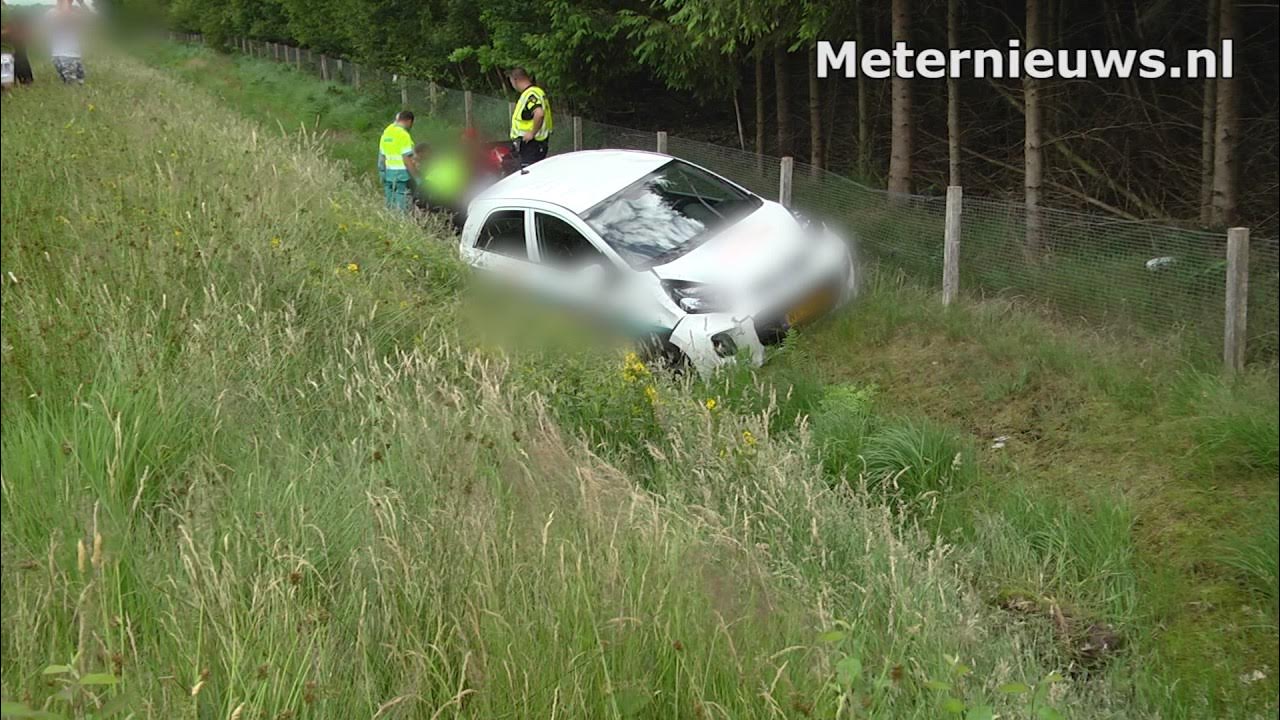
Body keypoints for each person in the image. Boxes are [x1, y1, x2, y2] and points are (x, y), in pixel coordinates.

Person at [507, 67, 553, 168]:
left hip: (532, 145)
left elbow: (539, 113)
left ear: (515, 80)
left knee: (528, 175)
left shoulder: (531, 94)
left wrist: (532, 133)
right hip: (536, 144)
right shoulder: (537, 92)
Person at [378, 110, 419, 213]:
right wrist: (418, 178)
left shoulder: (387, 132)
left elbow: (382, 155)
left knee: (390, 204)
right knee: (402, 206)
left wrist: (382, 171)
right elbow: (407, 159)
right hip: (402, 175)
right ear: (409, 121)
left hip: (389, 174)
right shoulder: (403, 135)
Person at [42, 0, 86, 85]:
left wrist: (81, 3)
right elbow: (65, 16)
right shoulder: (51, 13)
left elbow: (89, 18)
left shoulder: (73, 13)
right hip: (64, 56)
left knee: (80, 83)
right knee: (72, 86)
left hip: (74, 55)